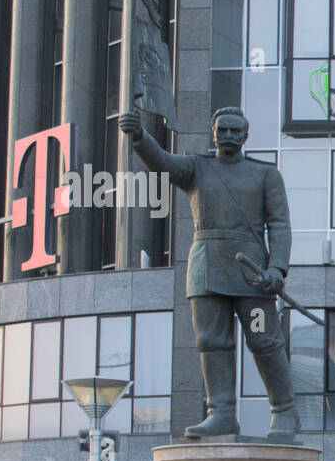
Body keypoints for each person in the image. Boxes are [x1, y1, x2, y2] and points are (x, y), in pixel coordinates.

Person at [118, 105, 299, 440]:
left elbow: (280, 225)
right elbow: (162, 162)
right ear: (212, 133)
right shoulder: (195, 168)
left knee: (264, 340)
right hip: (206, 269)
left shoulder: (265, 174)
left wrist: (277, 267)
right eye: (223, 130)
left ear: (246, 135)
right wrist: (140, 137)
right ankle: (221, 413)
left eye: (235, 131)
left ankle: (285, 412)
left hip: (252, 276)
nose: (229, 136)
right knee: (212, 342)